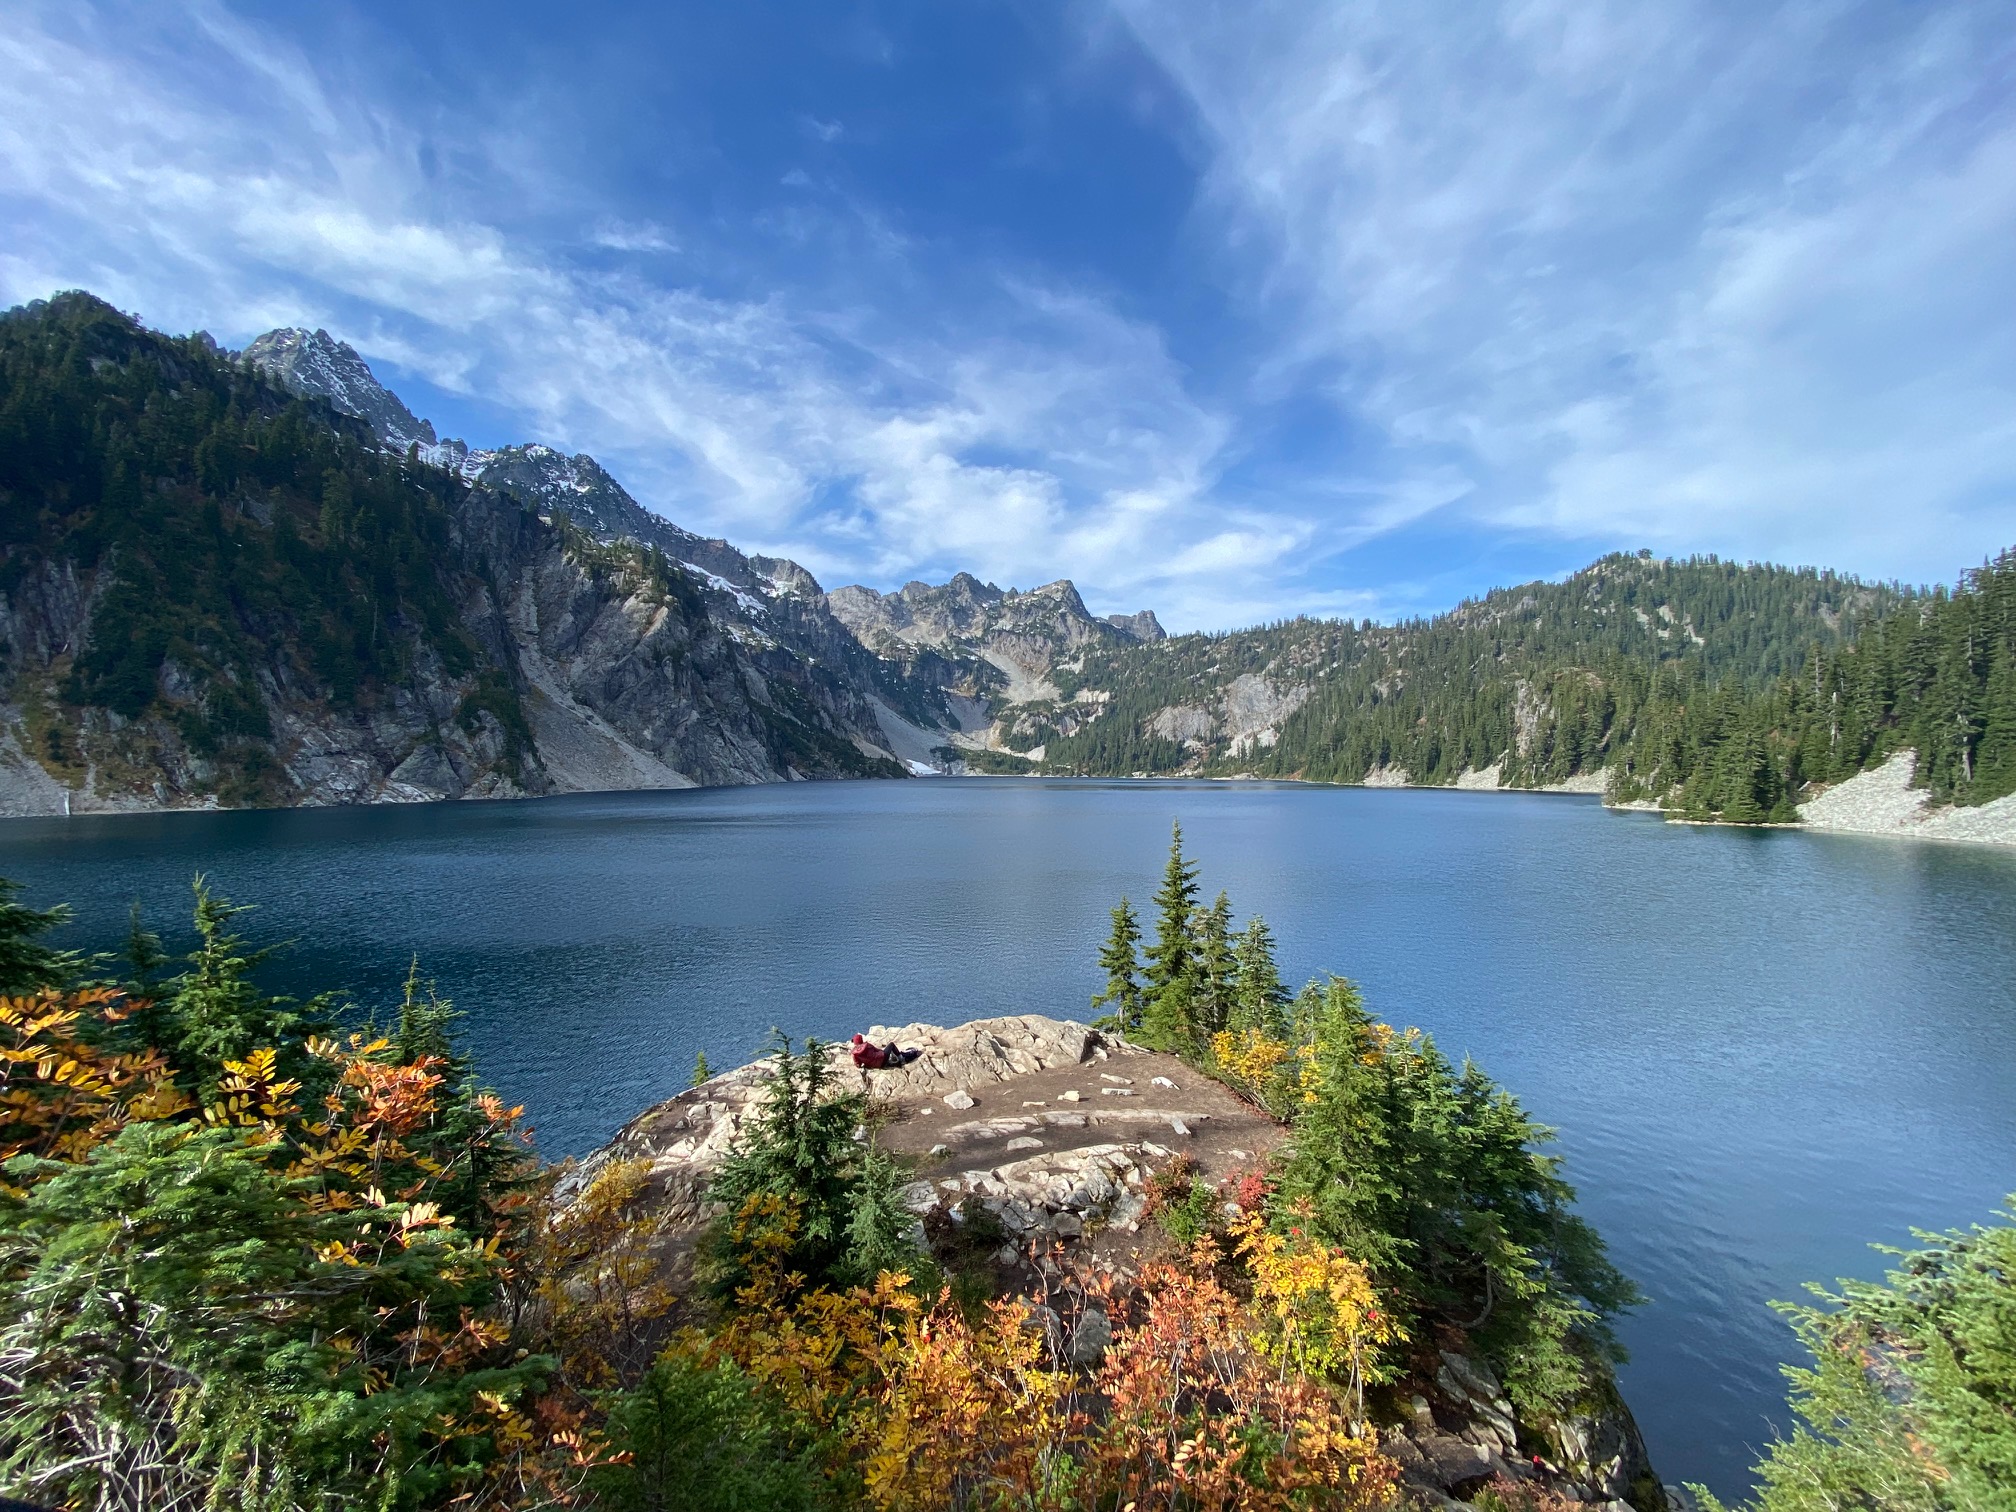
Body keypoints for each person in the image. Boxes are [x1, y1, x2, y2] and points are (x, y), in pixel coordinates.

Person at [850, 1033, 919, 1069]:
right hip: (882, 1059)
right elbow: (877, 1050)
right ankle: (900, 1057)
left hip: (876, 1066)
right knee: (891, 1045)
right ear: (861, 1040)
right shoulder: (867, 1045)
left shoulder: (854, 1053)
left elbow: (858, 1065)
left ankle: (897, 1059)